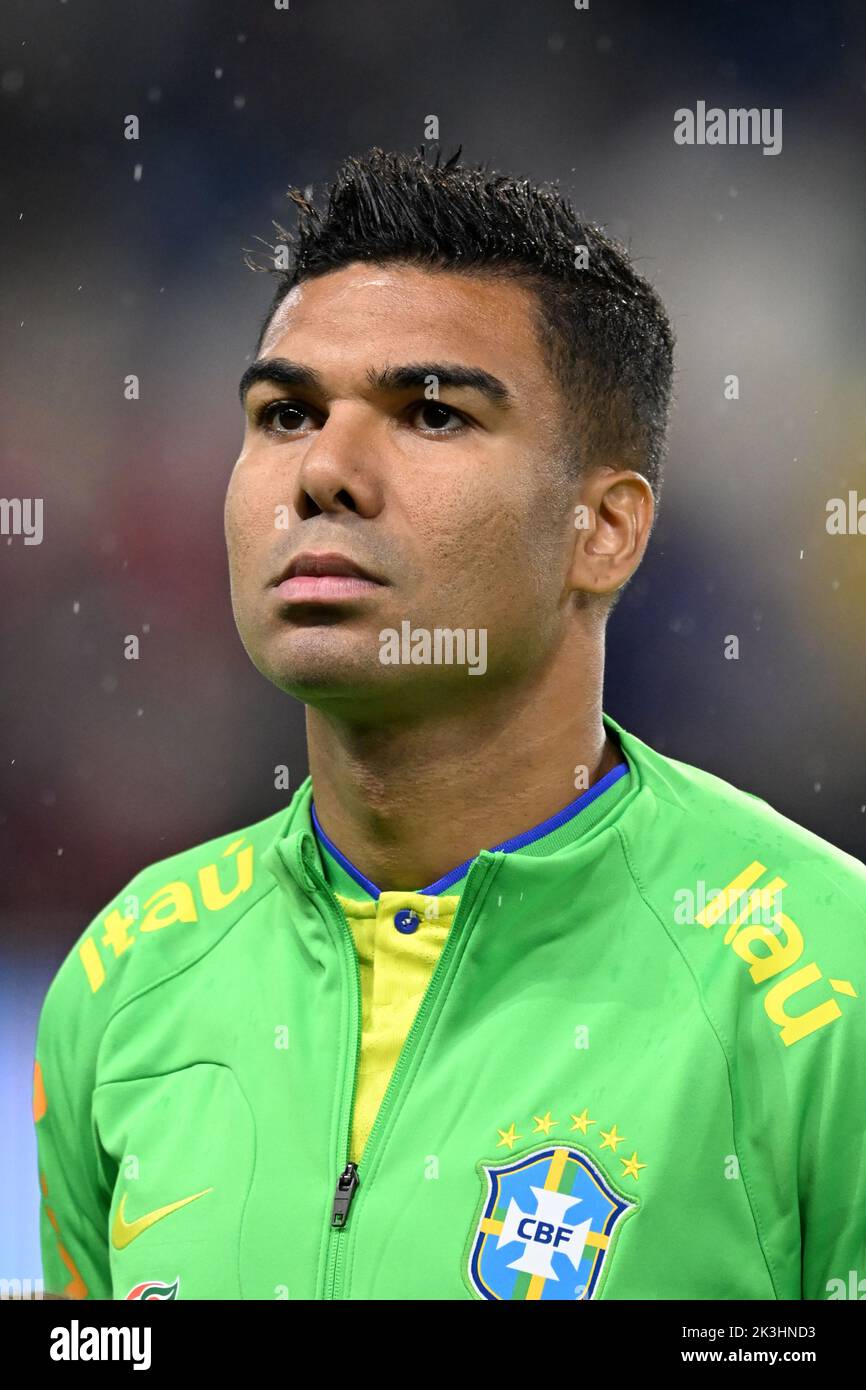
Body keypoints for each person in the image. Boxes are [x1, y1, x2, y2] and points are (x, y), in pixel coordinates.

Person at [34, 149, 866, 1302]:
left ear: (604, 531)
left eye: (428, 412)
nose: (323, 470)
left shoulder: (827, 977)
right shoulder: (127, 975)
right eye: (283, 414)